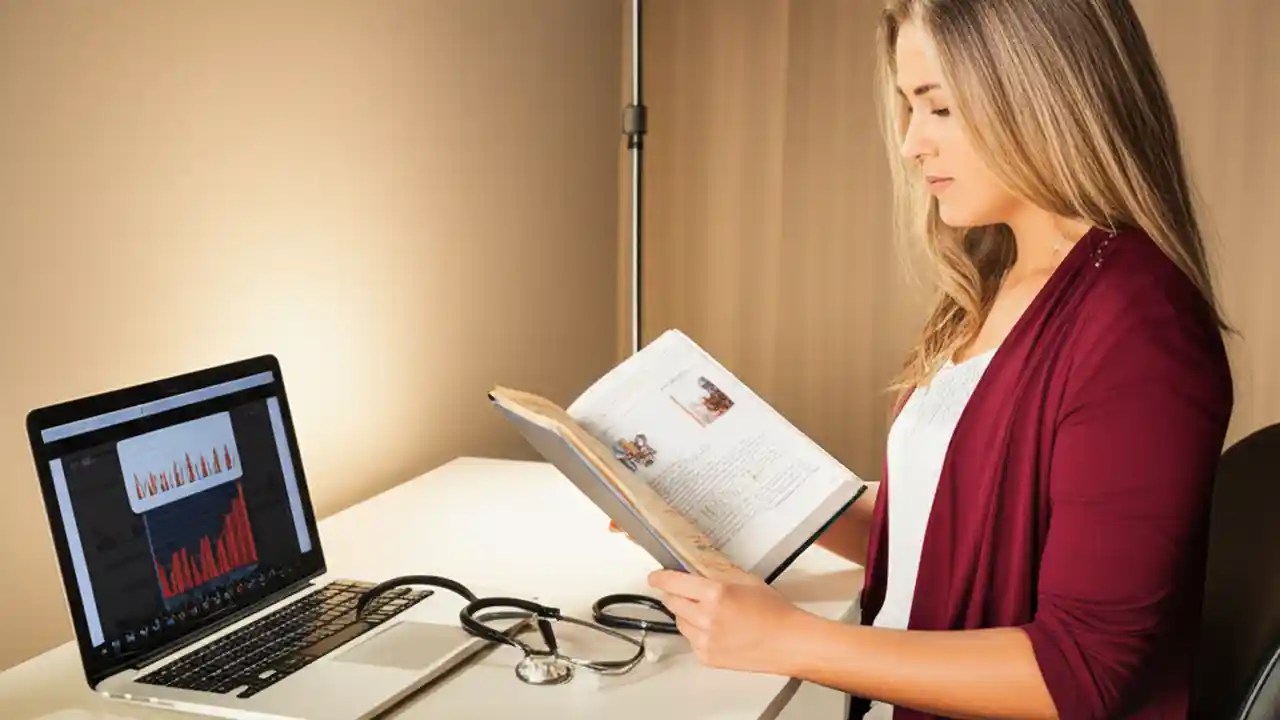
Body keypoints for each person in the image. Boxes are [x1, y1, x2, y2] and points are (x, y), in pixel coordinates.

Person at [645, 1, 1234, 718]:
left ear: (1042, 94)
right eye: (908, 107)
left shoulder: (1139, 327)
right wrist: (712, 491)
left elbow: (1081, 671)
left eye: (940, 108)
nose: (911, 143)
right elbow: (940, 538)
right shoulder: (997, 285)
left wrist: (784, 640)